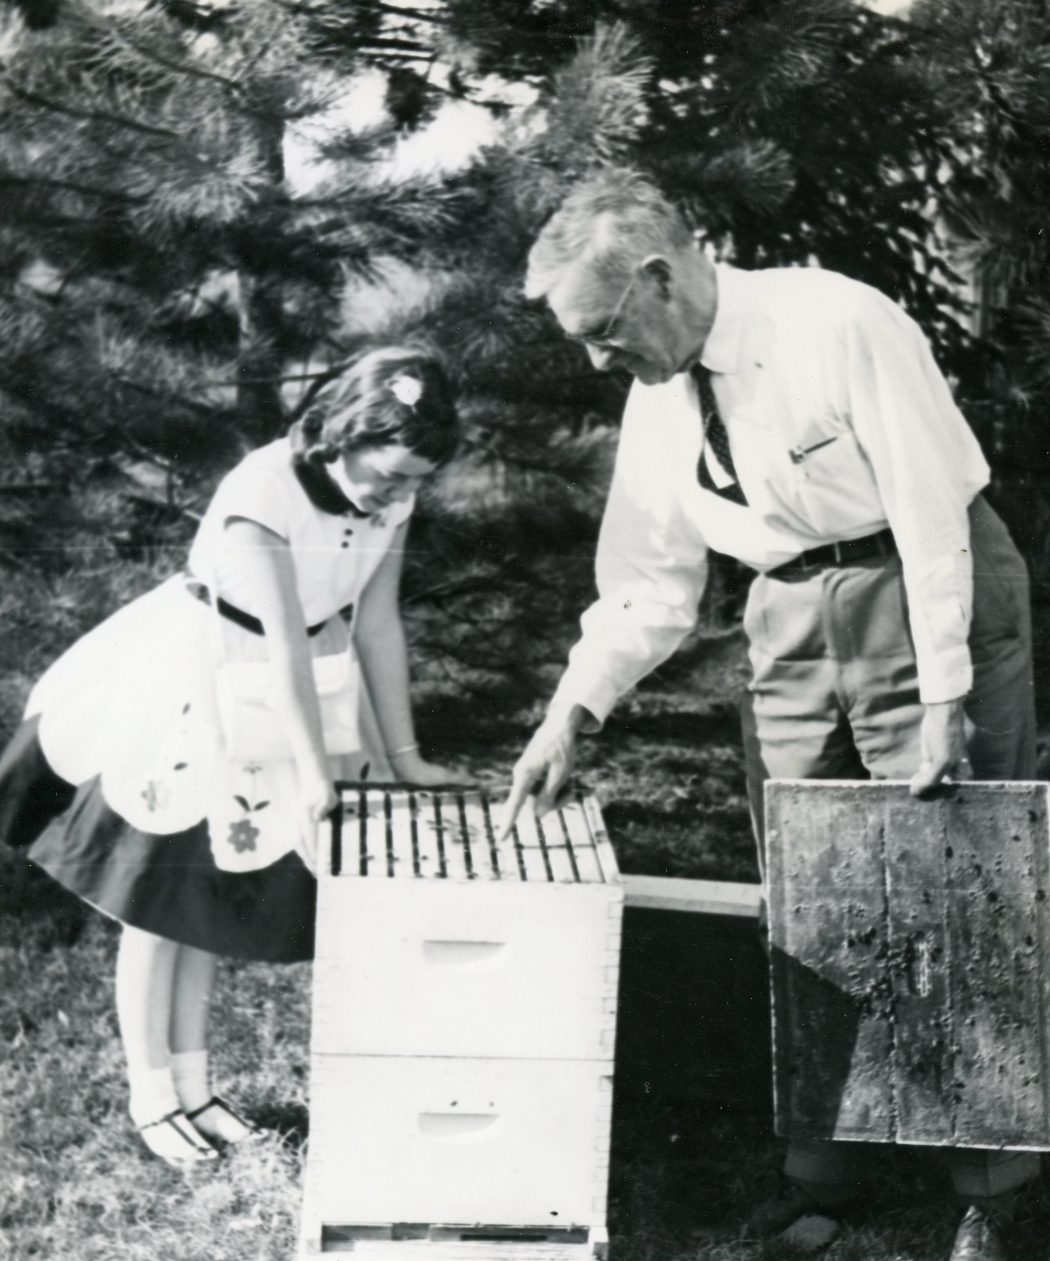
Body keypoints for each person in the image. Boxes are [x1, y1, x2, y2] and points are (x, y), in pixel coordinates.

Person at [501, 171, 1036, 1261]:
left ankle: (999, 1190)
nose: (599, 362)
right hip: (788, 613)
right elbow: (649, 584)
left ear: (657, 277)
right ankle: (823, 1171)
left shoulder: (835, 319)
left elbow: (933, 509)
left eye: (603, 332)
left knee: (961, 877)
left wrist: (946, 694)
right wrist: (573, 711)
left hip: (921, 588)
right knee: (810, 882)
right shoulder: (659, 400)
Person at [0, 346, 468, 1167]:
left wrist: (404, 755)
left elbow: (376, 624)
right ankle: (153, 1095)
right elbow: (280, 639)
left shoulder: (390, 497)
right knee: (158, 897)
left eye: (415, 482)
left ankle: (199, 1087)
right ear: (343, 434)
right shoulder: (263, 490)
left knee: (209, 893)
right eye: (389, 476)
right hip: (206, 681)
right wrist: (317, 773)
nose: (402, 497)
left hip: (296, 687)